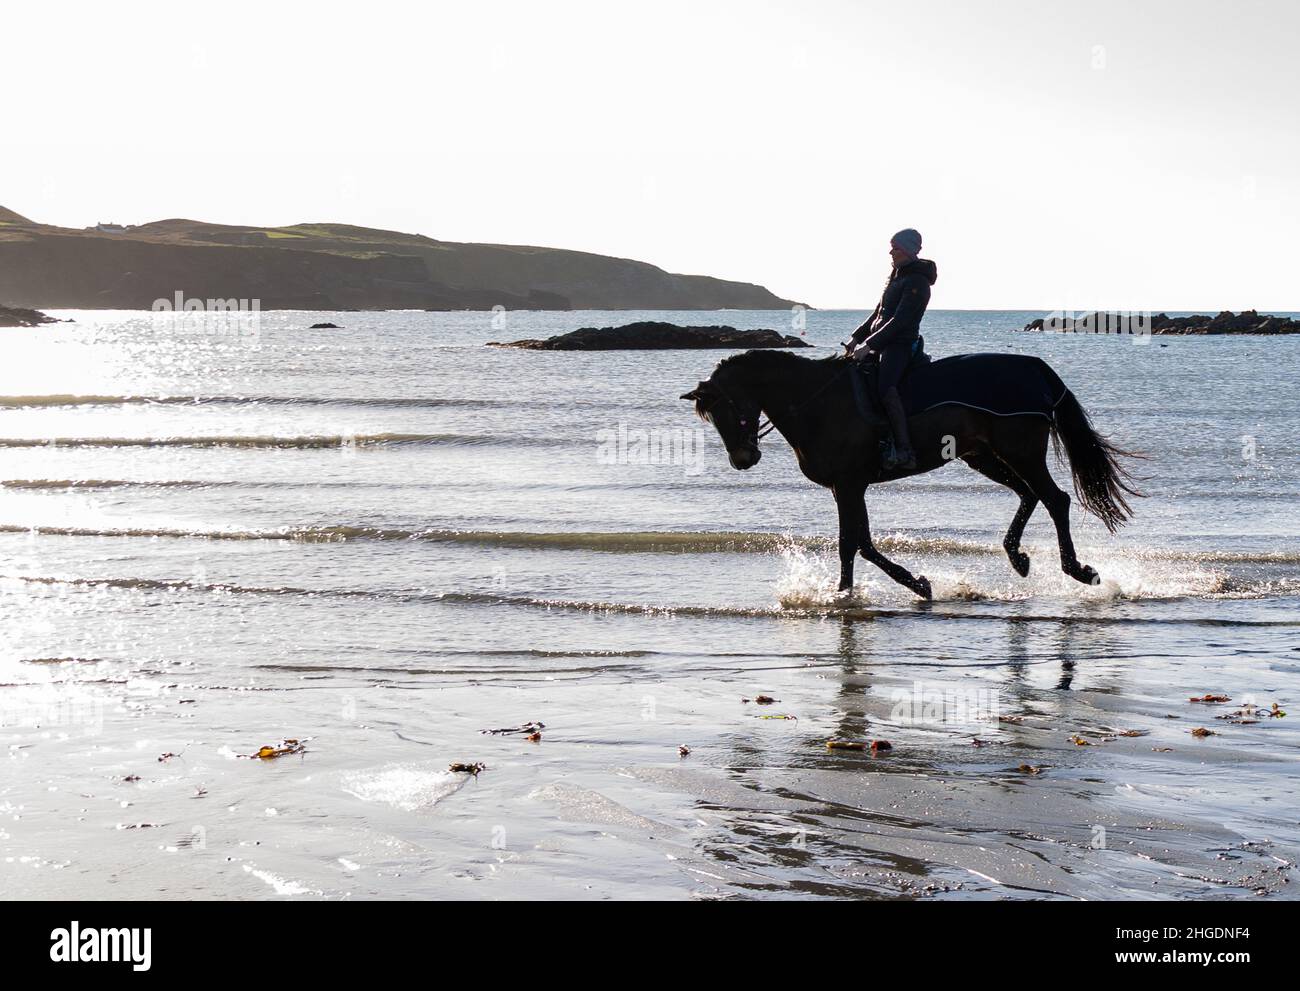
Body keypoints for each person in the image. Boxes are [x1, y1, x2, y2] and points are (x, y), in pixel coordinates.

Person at [847, 228, 938, 471]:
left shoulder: (917, 281)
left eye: (895, 248)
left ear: (907, 250)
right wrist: (856, 338)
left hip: (899, 345)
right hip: (881, 343)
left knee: (885, 387)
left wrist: (869, 345)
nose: (891, 252)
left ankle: (903, 449)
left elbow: (901, 321)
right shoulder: (897, 275)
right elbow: (879, 312)